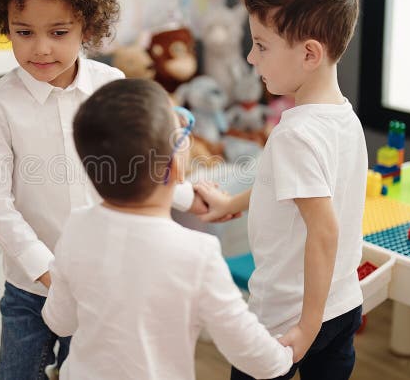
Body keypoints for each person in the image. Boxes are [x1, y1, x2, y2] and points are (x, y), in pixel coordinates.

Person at [0, 0, 219, 377]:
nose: (41, 48)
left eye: (59, 32)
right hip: (30, 286)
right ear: (3, 24)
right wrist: (47, 272)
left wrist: (186, 197)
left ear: (87, 25)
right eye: (23, 32)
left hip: (100, 279)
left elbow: (137, 167)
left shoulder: (110, 83)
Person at [42, 79, 293, 380]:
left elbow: (60, 322)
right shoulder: (197, 256)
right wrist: (289, 352)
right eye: (185, 126)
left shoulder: (76, 227)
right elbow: (254, 354)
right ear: (174, 166)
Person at [196, 0, 367, 380]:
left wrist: (305, 327)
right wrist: (232, 203)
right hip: (342, 302)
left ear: (309, 53)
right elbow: (292, 189)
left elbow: (324, 232)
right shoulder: (343, 117)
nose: (251, 58)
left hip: (288, 315)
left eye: (261, 45)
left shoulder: (295, 135)